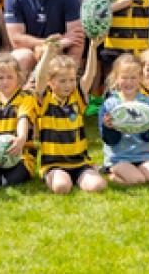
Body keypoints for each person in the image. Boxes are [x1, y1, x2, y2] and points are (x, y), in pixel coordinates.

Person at [32, 34, 107, 194]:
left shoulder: (77, 98)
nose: (69, 85)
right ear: (50, 82)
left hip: (79, 163)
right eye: (63, 81)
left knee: (98, 186)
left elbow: (89, 75)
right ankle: (56, 177)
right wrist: (48, 53)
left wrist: (93, 48)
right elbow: (40, 78)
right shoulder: (45, 100)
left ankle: (84, 174)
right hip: (54, 164)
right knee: (61, 187)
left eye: (72, 80)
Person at [99, 53, 149, 185]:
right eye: (124, 78)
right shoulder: (110, 105)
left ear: (141, 78)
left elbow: (148, 137)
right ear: (116, 78)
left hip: (144, 155)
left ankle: (134, 171)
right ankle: (111, 171)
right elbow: (110, 140)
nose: (129, 82)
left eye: (133, 78)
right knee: (138, 180)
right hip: (120, 157)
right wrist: (108, 127)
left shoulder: (147, 103)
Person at [0, 53, 38, 189]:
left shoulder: (25, 98)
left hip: (21, 155)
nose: (5, 81)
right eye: (0, 77)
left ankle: (18, 172)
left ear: (18, 77)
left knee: (8, 183)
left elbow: (23, 119)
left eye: (10, 77)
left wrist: (21, 138)